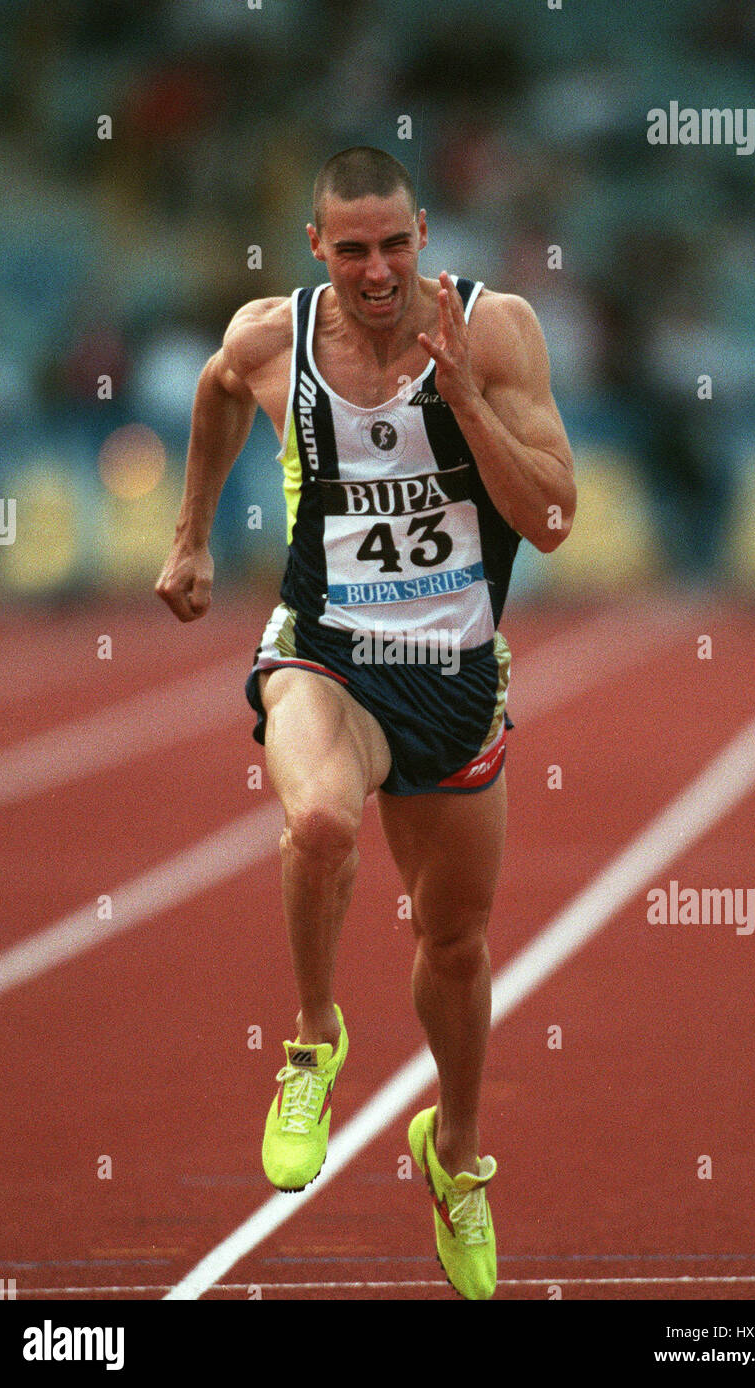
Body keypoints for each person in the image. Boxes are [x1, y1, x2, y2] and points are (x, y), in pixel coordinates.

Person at [156, 146, 575, 1300]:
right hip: (324, 651)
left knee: (452, 947)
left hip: (451, 674)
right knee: (323, 826)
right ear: (315, 249)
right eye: (352, 249)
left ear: (424, 233)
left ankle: (453, 1158)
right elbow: (210, 393)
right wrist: (190, 535)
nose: (377, 270)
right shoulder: (269, 342)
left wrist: (462, 402)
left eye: (395, 243)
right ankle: (310, 1039)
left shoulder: (494, 335)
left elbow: (549, 518)